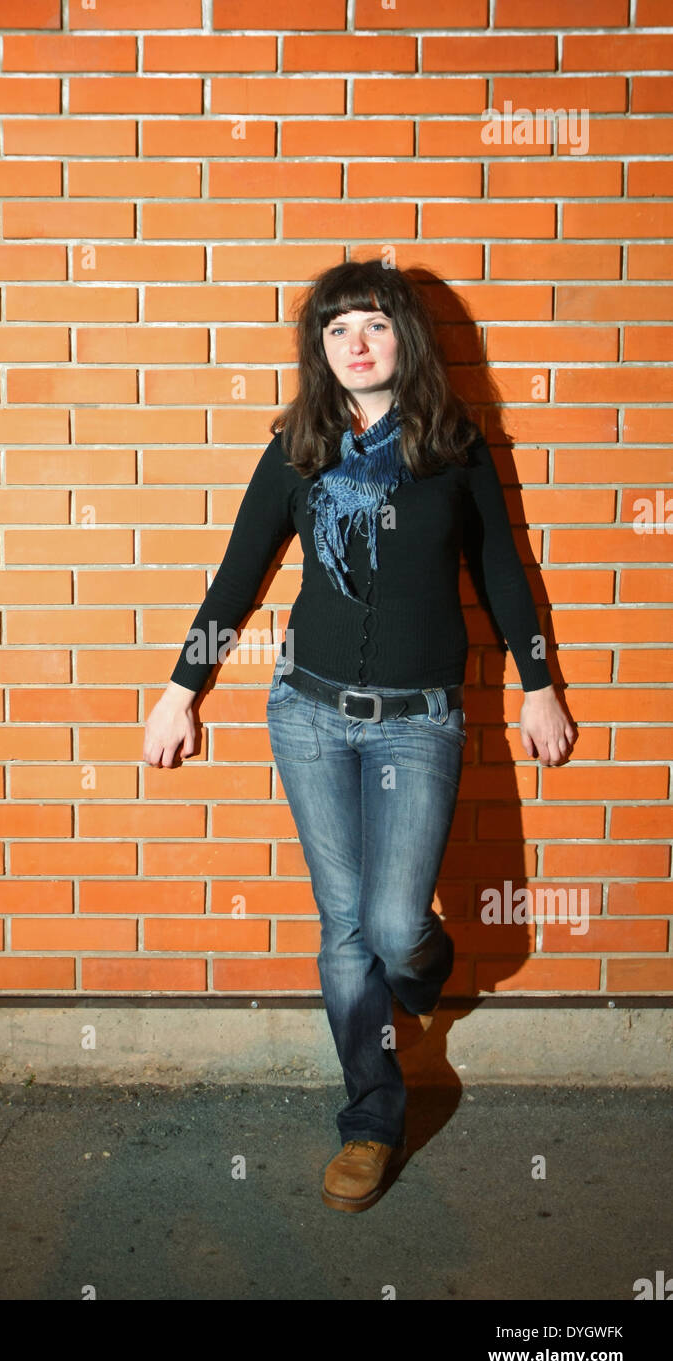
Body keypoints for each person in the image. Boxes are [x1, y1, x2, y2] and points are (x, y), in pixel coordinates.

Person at [143, 258, 577, 1214]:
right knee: (345, 935)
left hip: (419, 725)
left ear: (404, 339)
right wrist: (182, 689)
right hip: (309, 718)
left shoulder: (455, 447)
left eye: (374, 325)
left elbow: (506, 570)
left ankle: (423, 973)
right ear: (321, 349)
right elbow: (237, 575)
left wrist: (538, 683)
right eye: (337, 331)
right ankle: (373, 1121)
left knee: (392, 929)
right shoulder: (298, 446)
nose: (357, 344)